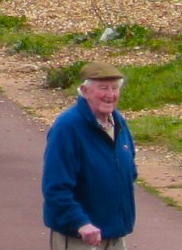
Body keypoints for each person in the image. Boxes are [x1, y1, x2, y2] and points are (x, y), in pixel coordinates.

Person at [42, 62, 137, 247]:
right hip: (80, 236)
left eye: (115, 88)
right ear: (85, 91)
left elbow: (129, 170)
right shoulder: (67, 127)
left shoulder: (118, 122)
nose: (110, 95)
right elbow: (56, 187)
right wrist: (80, 222)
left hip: (115, 234)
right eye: (103, 88)